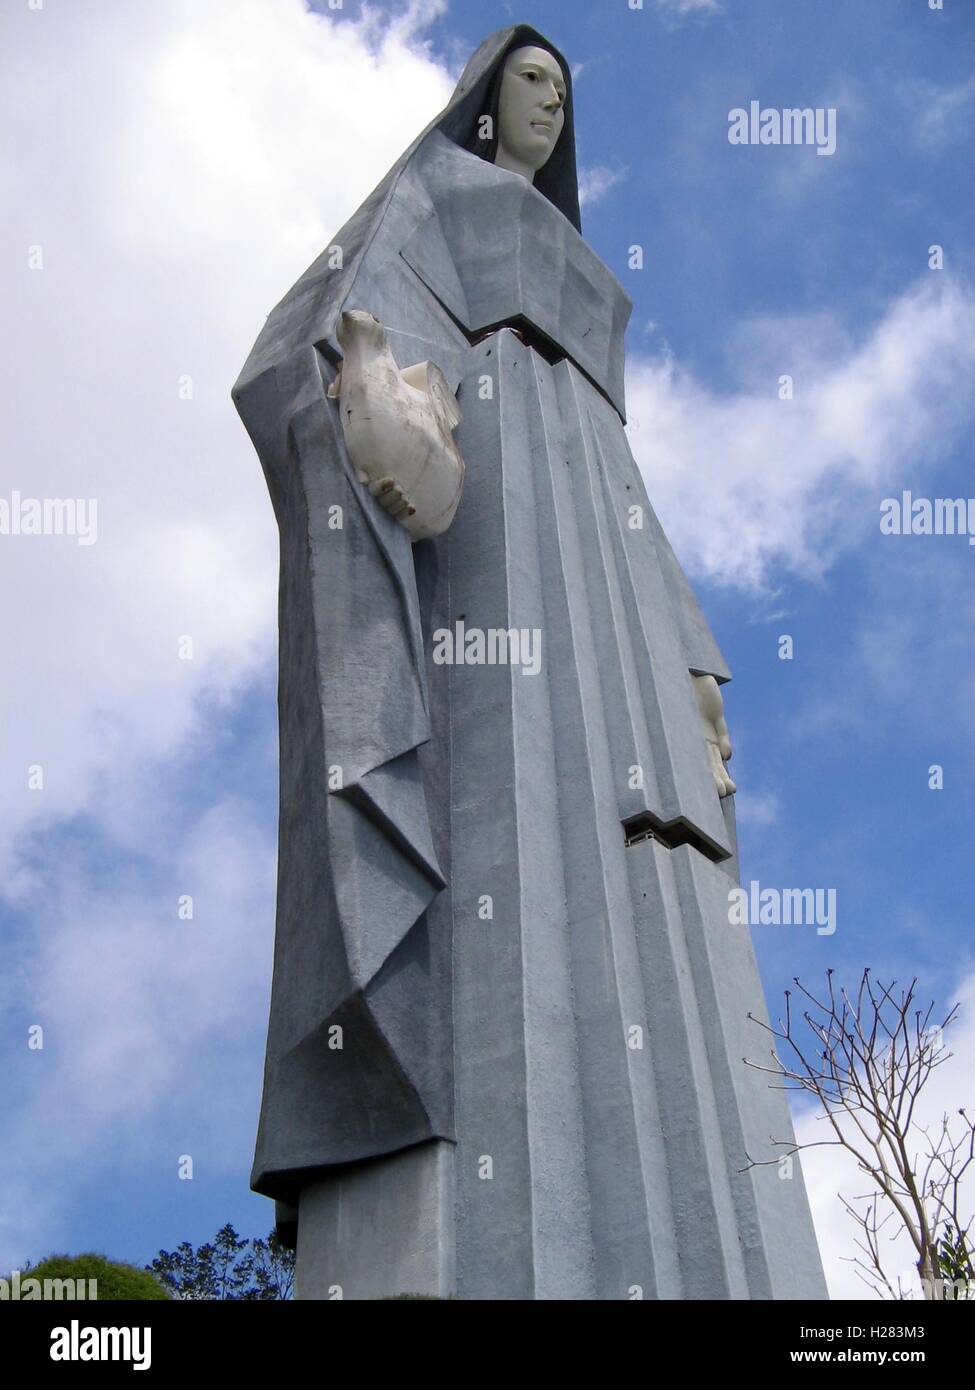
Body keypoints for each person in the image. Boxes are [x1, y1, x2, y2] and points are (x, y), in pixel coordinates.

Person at [234, 24, 826, 1300]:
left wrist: (689, 647)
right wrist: (384, 403)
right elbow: (342, 328)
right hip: (500, 546)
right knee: (510, 824)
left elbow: (627, 476)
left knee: (654, 859)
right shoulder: (440, 192)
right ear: (485, 104)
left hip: (604, 556)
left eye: (566, 87)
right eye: (530, 81)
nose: (553, 100)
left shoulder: (581, 266)